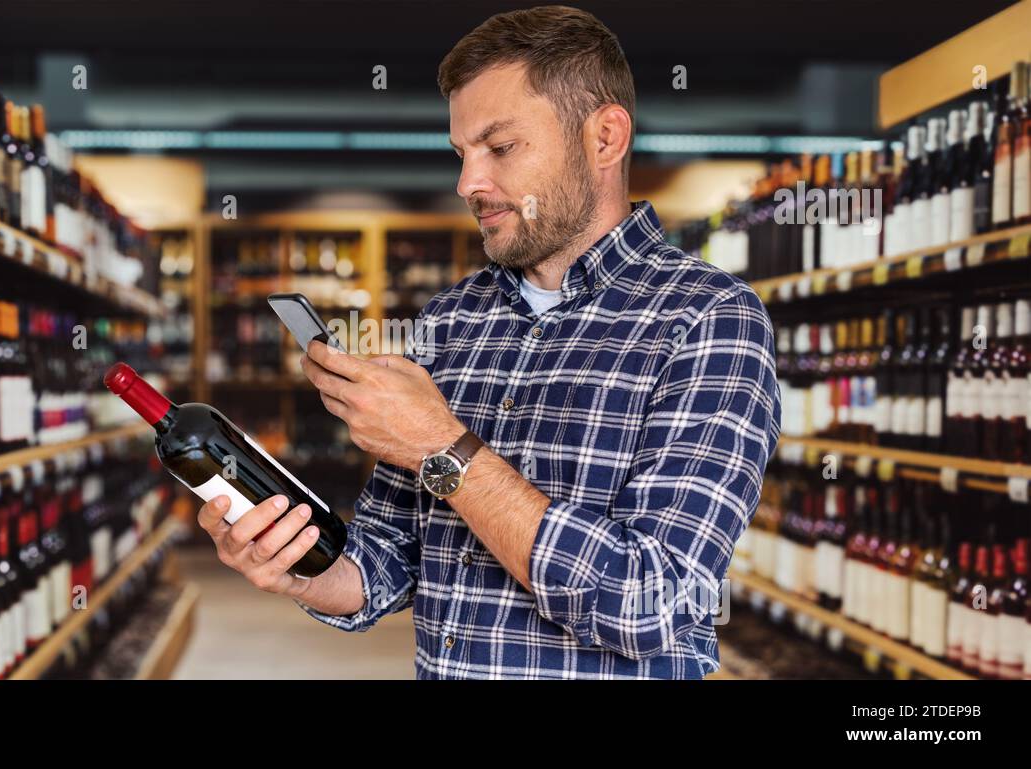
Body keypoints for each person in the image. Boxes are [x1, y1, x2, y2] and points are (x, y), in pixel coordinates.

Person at [194, 5, 781, 679]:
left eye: (500, 148)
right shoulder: (452, 319)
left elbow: (651, 601)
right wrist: (296, 566)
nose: (467, 183)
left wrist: (442, 447)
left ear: (605, 138)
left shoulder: (710, 320)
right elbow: (387, 559)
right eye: (461, 154)